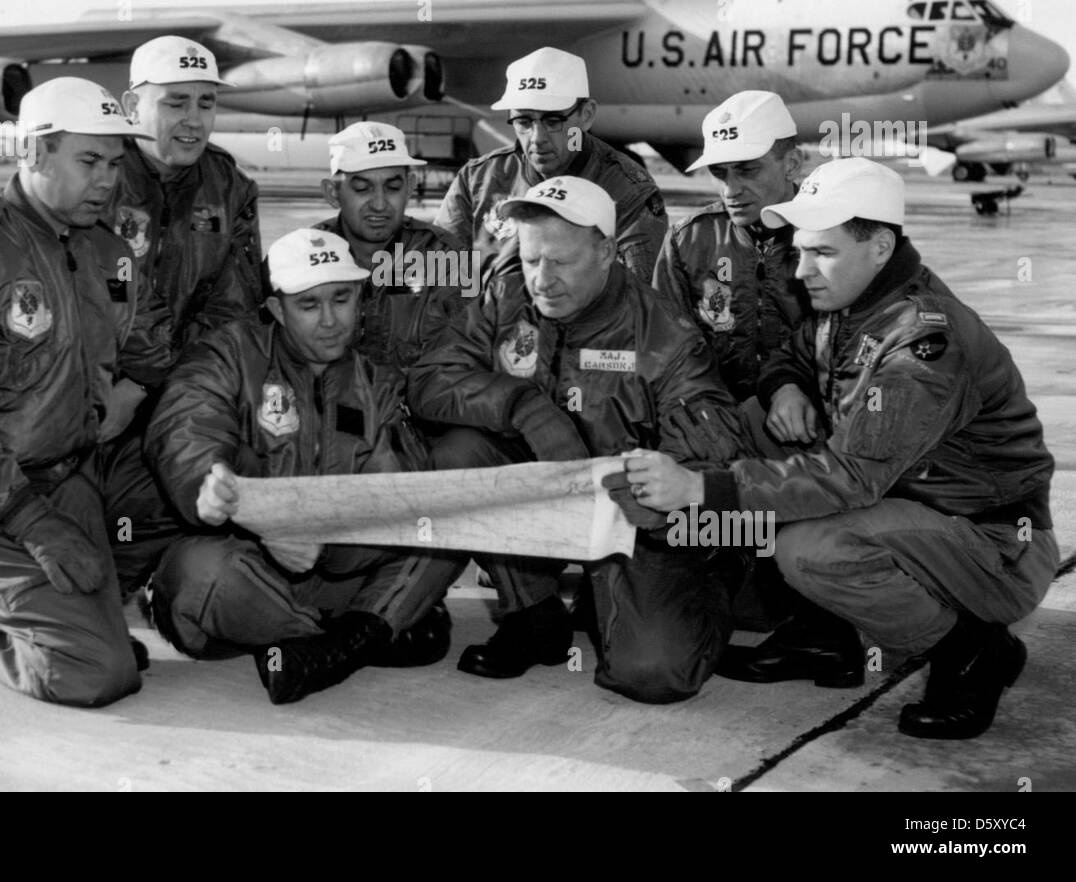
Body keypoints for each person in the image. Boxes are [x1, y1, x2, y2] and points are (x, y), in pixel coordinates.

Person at [621, 158, 1058, 738]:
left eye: (821, 252)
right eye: (800, 251)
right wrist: (786, 387)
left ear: (879, 246)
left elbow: (850, 478)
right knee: (745, 424)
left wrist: (703, 491)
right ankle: (821, 635)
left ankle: (972, 650)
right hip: (912, 502)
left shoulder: (920, 344)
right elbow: (796, 353)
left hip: (989, 540)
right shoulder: (852, 301)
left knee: (810, 547)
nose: (802, 271)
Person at [409, 176, 751, 704]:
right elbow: (432, 379)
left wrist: (643, 495)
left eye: (561, 263)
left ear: (607, 251)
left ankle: (702, 590)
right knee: (456, 451)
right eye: (530, 259)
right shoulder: (507, 295)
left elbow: (714, 450)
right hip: (549, 492)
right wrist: (523, 406)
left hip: (634, 517)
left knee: (653, 674)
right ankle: (533, 610)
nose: (542, 280)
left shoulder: (665, 335)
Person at [0, 78, 173, 708]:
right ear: (35, 153)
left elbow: (151, 344)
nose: (106, 182)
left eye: (113, 163)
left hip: (80, 475)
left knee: (196, 502)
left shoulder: (105, 249)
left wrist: (135, 389)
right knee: (98, 674)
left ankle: (64, 616)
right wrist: (31, 519)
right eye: (88, 162)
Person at [143, 229, 465, 705]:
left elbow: (390, 495)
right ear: (276, 311)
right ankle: (371, 631)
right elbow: (186, 428)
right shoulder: (228, 354)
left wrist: (325, 546)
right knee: (203, 575)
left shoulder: (375, 383)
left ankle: (331, 645)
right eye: (309, 305)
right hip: (248, 568)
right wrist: (207, 485)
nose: (331, 321)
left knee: (445, 522)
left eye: (342, 299)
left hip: (333, 568)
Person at [434, 47, 667, 287]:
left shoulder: (628, 190)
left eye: (553, 121)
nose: (537, 138)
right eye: (523, 121)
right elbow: (440, 279)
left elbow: (637, 297)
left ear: (586, 115)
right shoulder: (477, 179)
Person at [109, 35, 263, 355]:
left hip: (190, 376)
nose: (194, 120)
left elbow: (233, 311)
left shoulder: (229, 188)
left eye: (206, 103)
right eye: (176, 103)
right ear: (132, 107)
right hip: (97, 377)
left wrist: (172, 384)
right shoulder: (99, 177)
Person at [652, 91, 808, 405]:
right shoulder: (690, 240)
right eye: (718, 173)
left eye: (747, 170)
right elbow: (663, 349)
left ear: (791, 164)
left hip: (812, 420)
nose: (730, 190)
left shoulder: (833, 236)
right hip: (715, 419)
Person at [314, 120, 466, 372]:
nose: (379, 204)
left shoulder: (451, 258)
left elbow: (469, 352)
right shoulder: (302, 257)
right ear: (332, 192)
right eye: (362, 188)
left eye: (393, 188)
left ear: (410, 187)